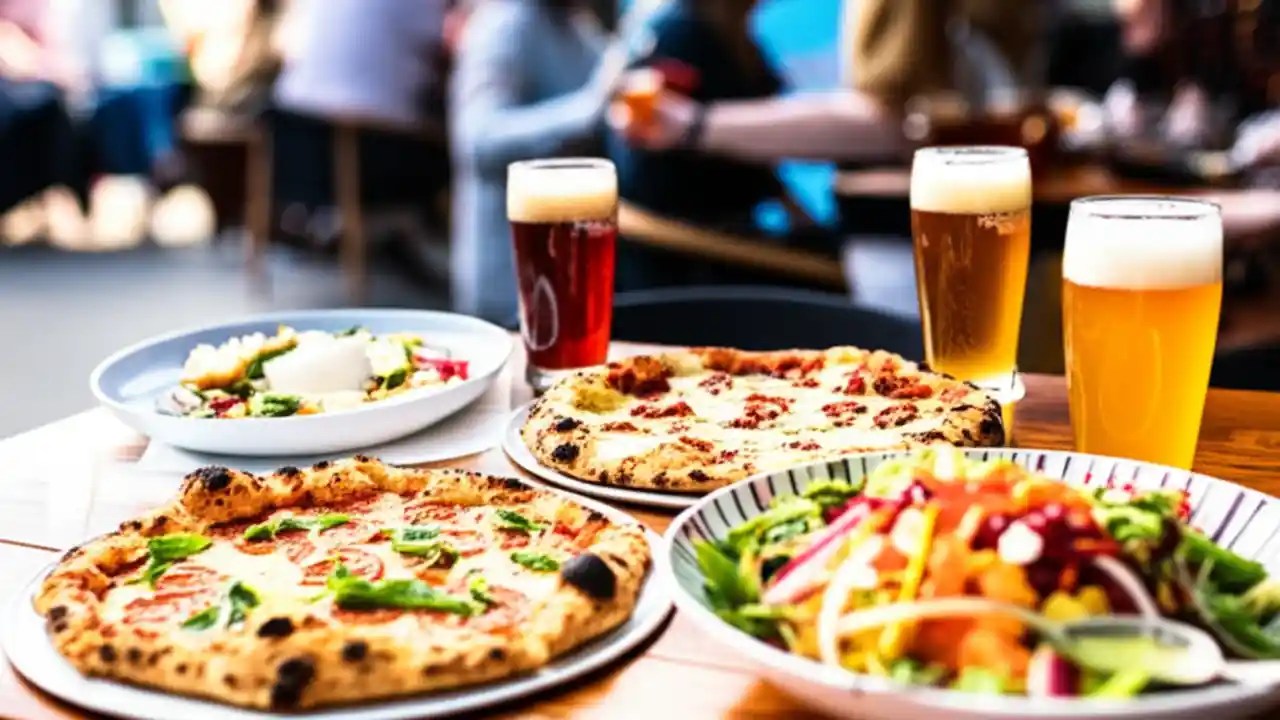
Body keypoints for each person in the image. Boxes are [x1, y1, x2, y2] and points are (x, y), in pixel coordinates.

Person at [449, 0, 629, 324]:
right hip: (513, 283)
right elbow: (479, 137)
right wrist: (589, 108)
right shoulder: (507, 24)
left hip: (572, 266)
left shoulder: (576, 23)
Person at [269, 0, 451, 238]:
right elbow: (445, 42)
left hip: (291, 129)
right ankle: (428, 239)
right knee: (461, 143)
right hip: (376, 146)